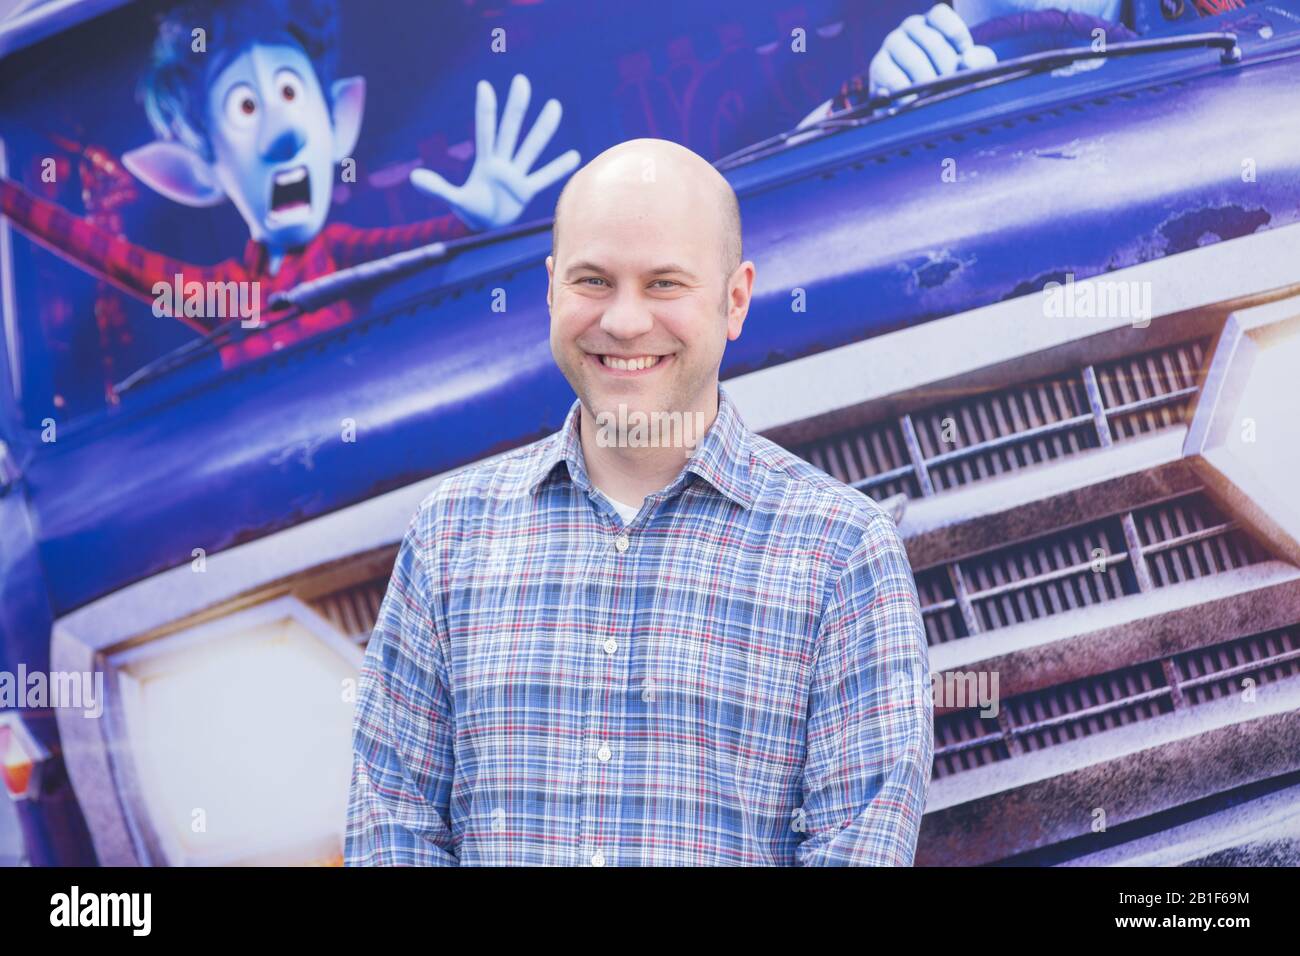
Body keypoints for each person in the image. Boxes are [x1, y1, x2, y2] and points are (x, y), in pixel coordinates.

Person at [345, 137, 933, 866]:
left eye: (663, 284)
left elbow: (857, 851)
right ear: (552, 289)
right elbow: (393, 833)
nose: (623, 322)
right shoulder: (449, 537)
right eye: (594, 281)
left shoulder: (844, 555)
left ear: (735, 298)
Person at [0, 0, 579, 367]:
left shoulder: (346, 258)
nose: (283, 135)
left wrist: (472, 220)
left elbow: (414, 251)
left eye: (288, 93)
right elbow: (106, 254)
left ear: (338, 122)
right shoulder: (226, 297)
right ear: (194, 173)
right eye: (246, 107)